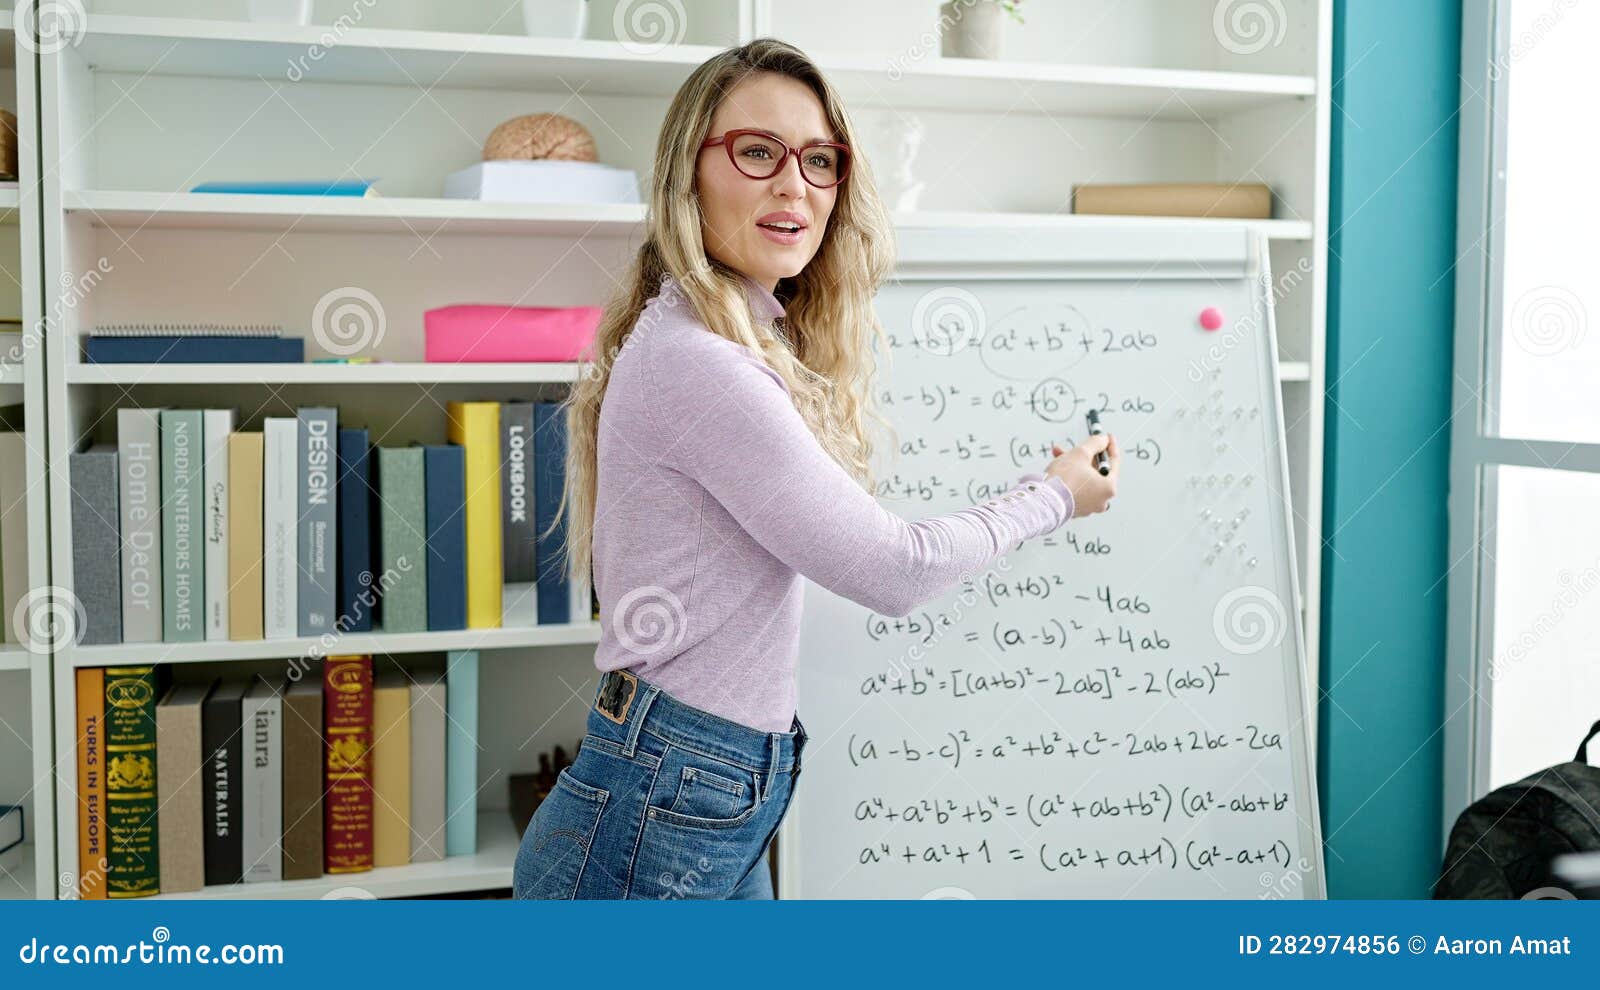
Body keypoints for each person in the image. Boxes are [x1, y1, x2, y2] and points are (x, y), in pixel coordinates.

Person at [512, 37, 1120, 900]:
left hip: (704, 787)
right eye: (757, 153)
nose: (794, 185)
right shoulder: (704, 362)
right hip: (670, 794)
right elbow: (892, 570)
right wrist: (1056, 494)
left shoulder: (723, 338)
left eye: (820, 160)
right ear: (691, 172)